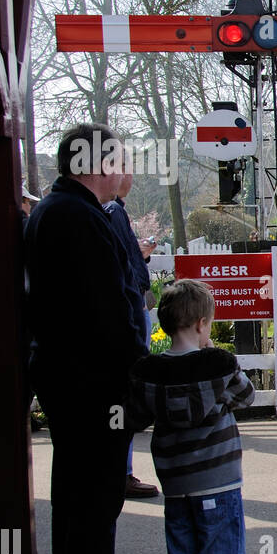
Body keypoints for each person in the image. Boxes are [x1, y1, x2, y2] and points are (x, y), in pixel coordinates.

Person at [25, 123, 150, 554]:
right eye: (120, 160)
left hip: (71, 378)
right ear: (97, 165)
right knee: (94, 501)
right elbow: (107, 311)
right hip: (91, 384)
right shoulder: (79, 218)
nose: (126, 171)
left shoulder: (60, 211)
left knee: (79, 498)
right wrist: (140, 371)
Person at [125, 279, 255, 554]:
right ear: (202, 324)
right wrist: (217, 401)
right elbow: (246, 396)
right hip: (219, 483)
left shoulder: (149, 372)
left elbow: (134, 415)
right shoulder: (219, 364)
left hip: (176, 485)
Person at [104, 175, 159, 498]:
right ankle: (120, 473)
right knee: (125, 390)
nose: (131, 176)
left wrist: (141, 255)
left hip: (133, 302)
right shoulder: (111, 212)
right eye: (123, 168)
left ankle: (121, 471)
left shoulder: (114, 212)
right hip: (129, 307)